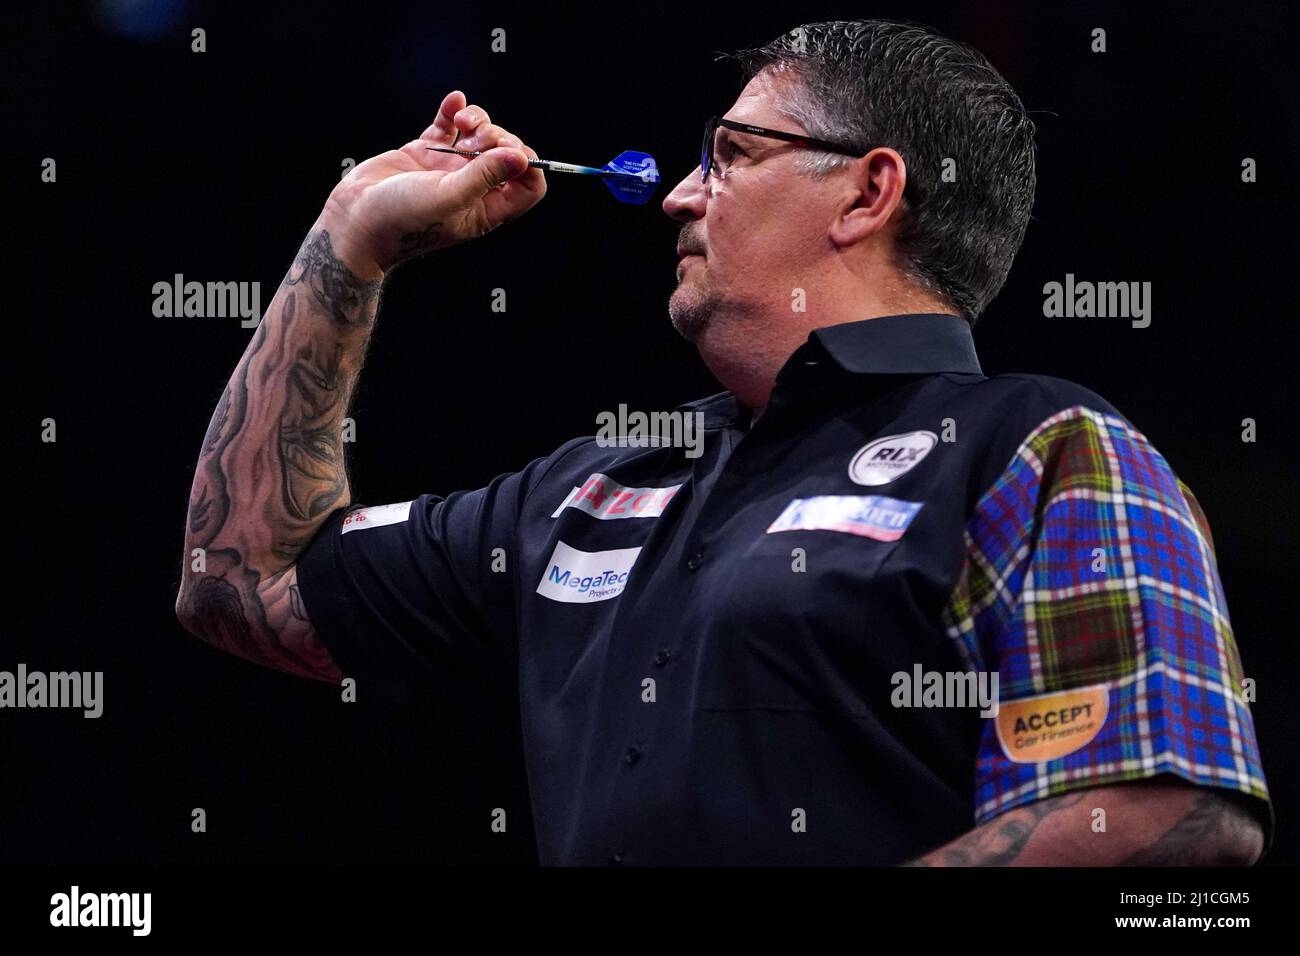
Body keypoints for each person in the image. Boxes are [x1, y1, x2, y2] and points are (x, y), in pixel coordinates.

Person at [176, 20, 1271, 866]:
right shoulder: (594, 487)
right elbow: (238, 582)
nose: (680, 197)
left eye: (730, 153)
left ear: (867, 190)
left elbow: (1167, 809)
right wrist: (348, 242)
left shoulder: (1039, 448)